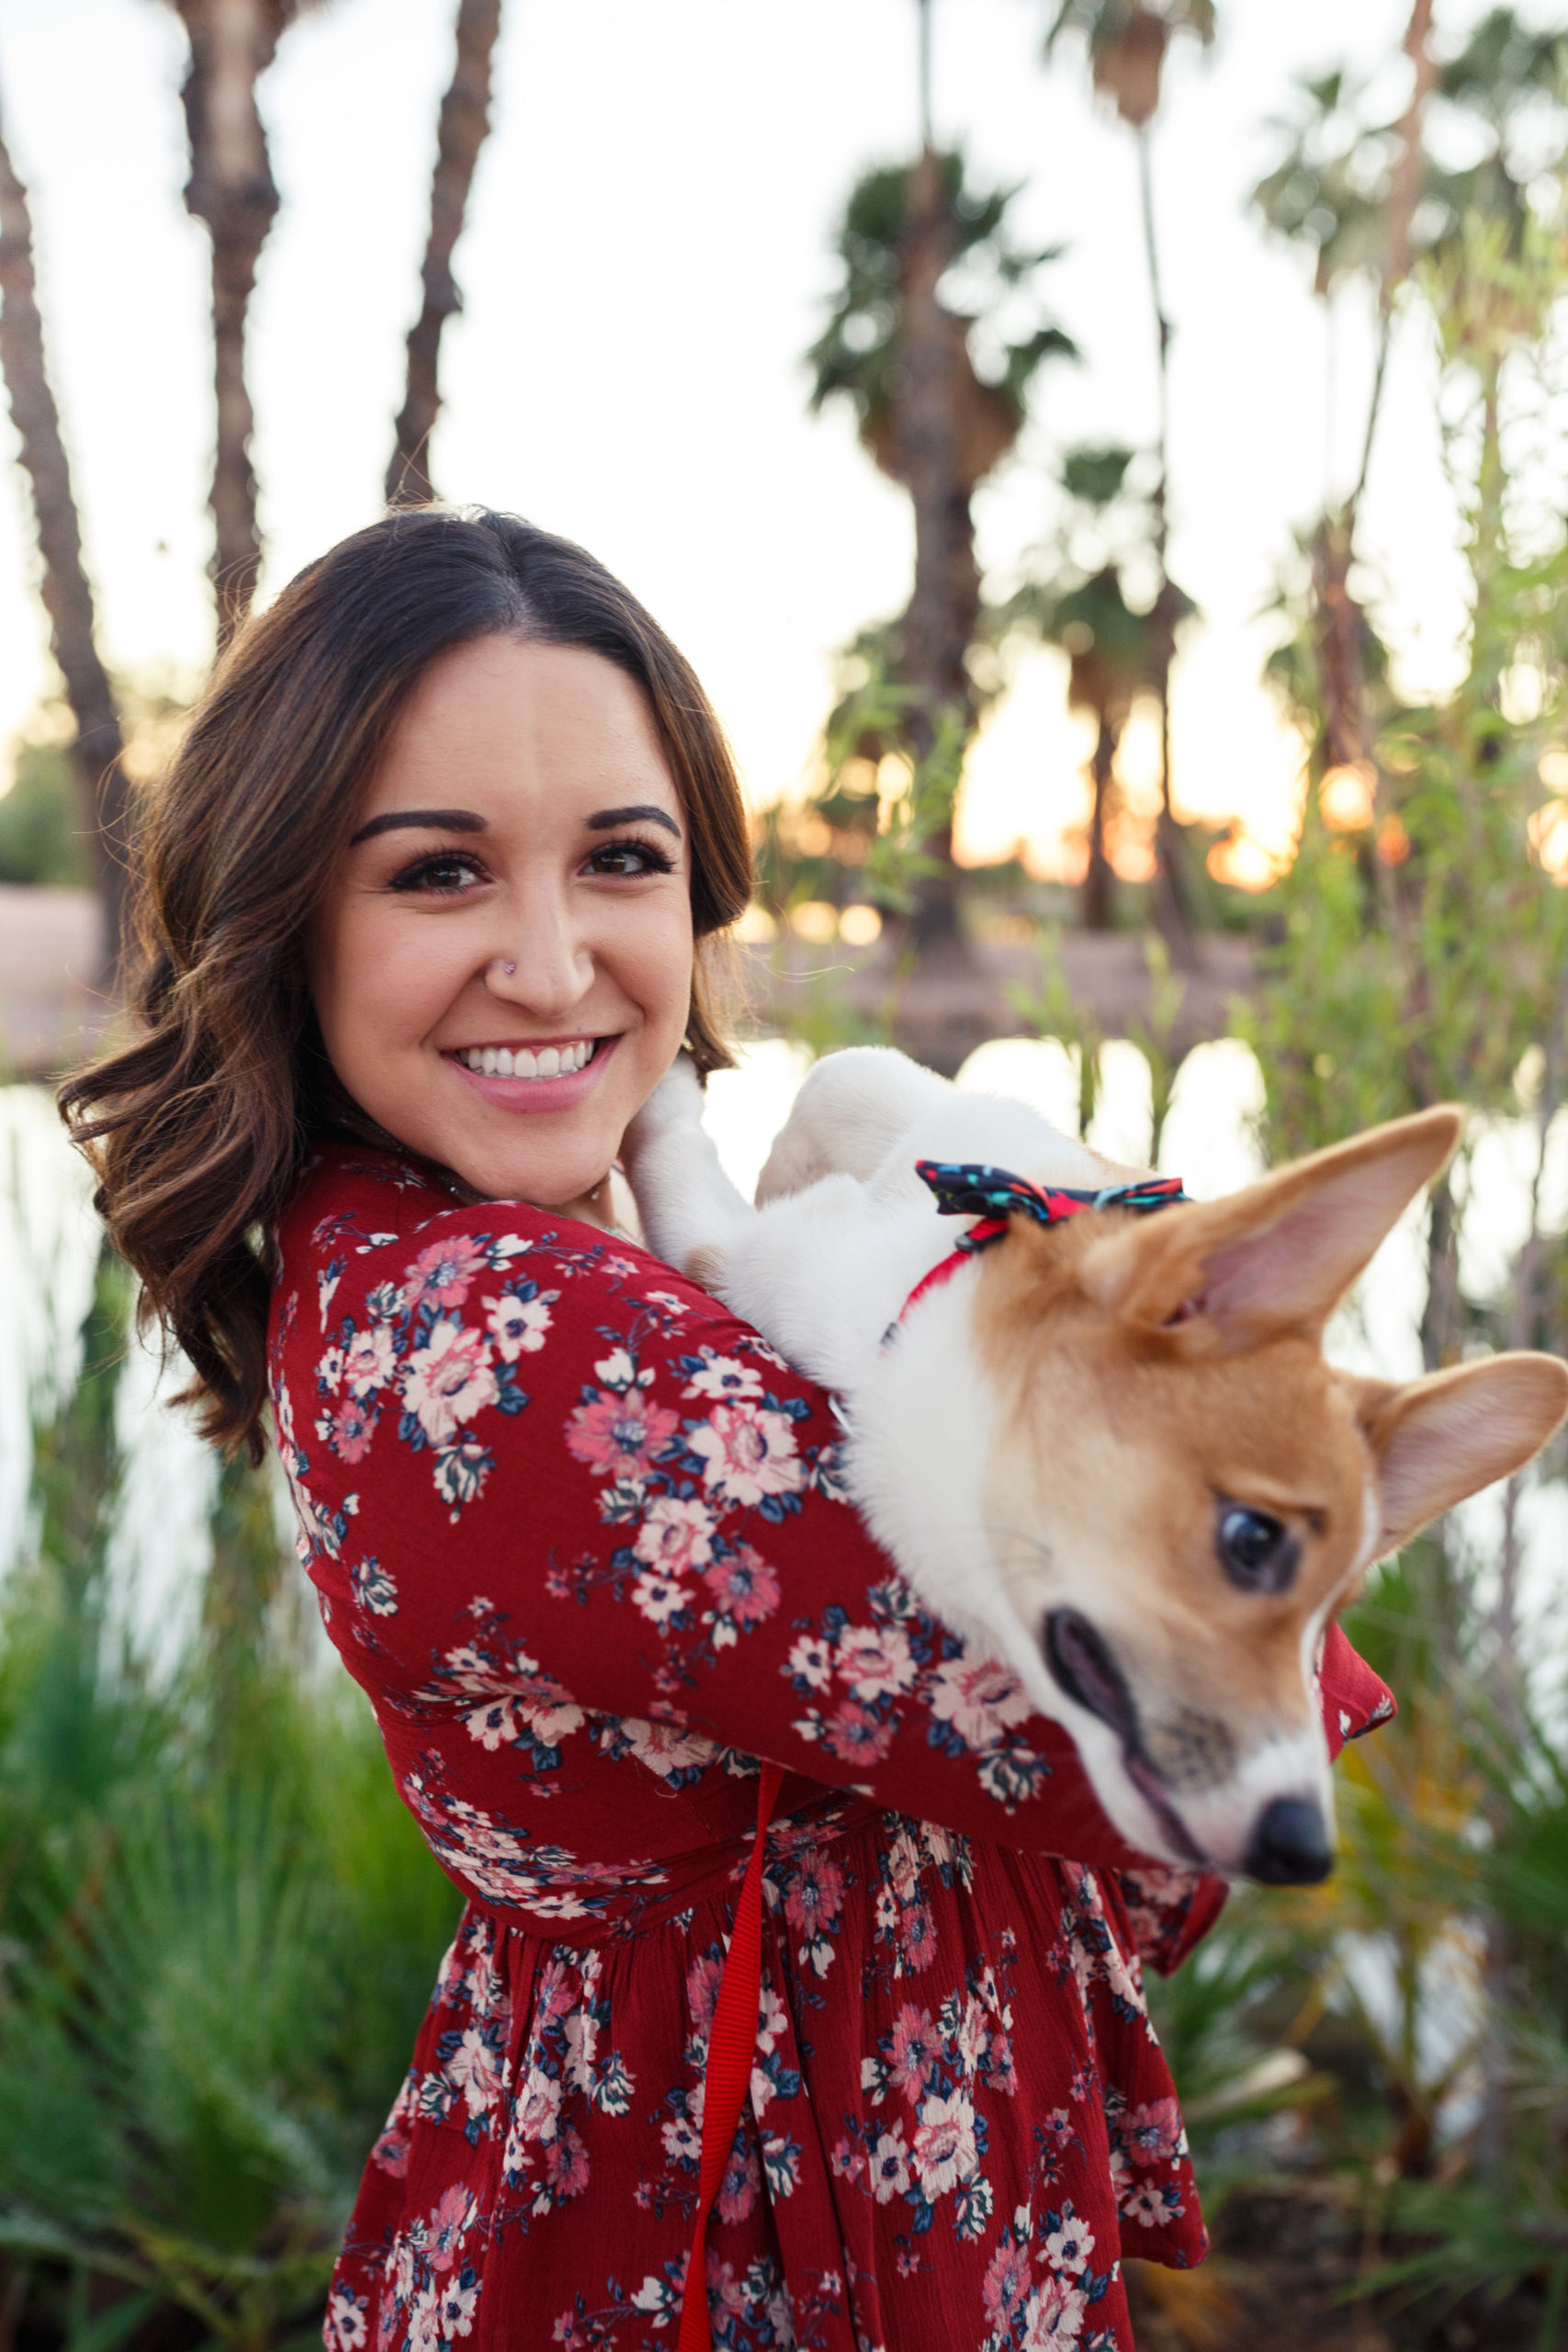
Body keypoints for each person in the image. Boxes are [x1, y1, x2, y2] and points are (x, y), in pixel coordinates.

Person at [63, 510, 1391, 2352]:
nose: (548, 964)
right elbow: (1219, 1742)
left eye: (620, 858)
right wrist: (1040, 1214)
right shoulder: (505, 1342)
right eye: (438, 873)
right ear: (284, 912)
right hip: (720, 2257)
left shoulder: (486, 1242)